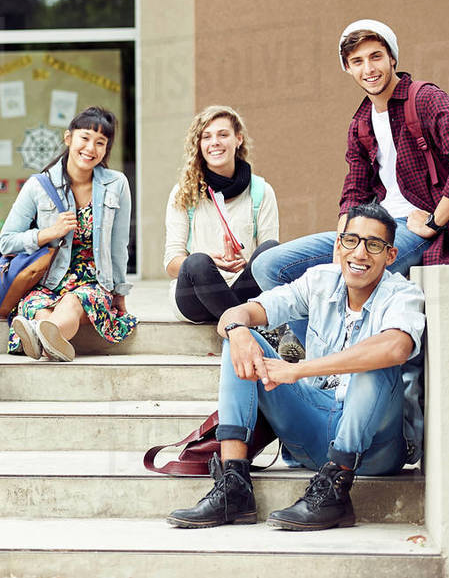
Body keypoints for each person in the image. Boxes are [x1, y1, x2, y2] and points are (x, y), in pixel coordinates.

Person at [167, 203, 425, 531]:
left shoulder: (402, 294)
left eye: (373, 245)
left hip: (376, 447)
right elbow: (240, 314)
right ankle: (234, 484)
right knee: (239, 339)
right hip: (312, 431)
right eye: (351, 241)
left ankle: (335, 491)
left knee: (377, 361)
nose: (359, 253)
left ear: (390, 256)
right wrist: (238, 329)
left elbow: (395, 347)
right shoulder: (319, 281)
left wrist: (298, 370)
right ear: (338, 245)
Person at [252, 19, 449, 289]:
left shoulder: (425, 98)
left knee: (344, 279)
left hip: (415, 229)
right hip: (369, 228)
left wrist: (435, 222)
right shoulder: (361, 123)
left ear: (392, 59)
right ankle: (316, 334)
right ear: (348, 69)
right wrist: (343, 242)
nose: (369, 69)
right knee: (268, 266)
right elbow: (354, 193)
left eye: (376, 57)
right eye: (357, 61)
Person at [0, 106, 136, 362]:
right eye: (85, 138)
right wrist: (49, 232)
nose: (91, 148)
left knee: (74, 301)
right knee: (37, 307)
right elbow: (6, 242)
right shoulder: (38, 186)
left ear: (106, 149)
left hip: (93, 281)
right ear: (68, 138)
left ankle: (36, 340)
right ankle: (47, 338)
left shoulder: (116, 185)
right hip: (49, 282)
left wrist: (119, 293)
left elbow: (119, 245)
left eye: (100, 142)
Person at [163, 106, 281, 323]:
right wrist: (211, 263)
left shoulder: (261, 191)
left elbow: (271, 263)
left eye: (223, 135)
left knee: (271, 250)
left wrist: (245, 262)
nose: (214, 142)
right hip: (196, 296)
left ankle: (235, 324)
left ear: (238, 139)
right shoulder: (184, 192)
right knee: (197, 262)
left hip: (244, 290)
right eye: (206, 137)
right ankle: (247, 327)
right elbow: (171, 264)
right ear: (199, 145)